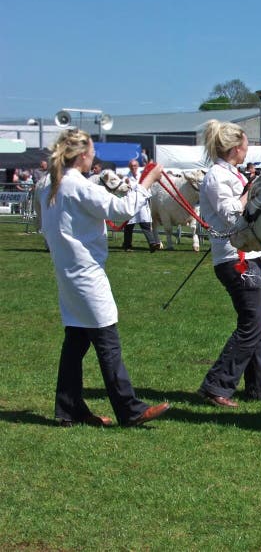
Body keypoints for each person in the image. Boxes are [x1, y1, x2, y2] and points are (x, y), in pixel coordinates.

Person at [37, 128, 170, 428]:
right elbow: (122, 210)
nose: (95, 155)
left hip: (67, 270)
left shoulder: (49, 184)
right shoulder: (77, 186)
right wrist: (148, 180)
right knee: (107, 339)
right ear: (83, 155)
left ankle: (68, 407)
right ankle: (129, 409)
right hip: (86, 272)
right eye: (93, 150)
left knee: (76, 340)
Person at [197, 120, 261, 408]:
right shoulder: (216, 177)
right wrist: (252, 189)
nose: (246, 152)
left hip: (252, 255)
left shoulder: (230, 174)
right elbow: (230, 214)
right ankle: (217, 384)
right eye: (245, 148)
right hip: (234, 257)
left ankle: (260, 387)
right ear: (236, 148)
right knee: (252, 323)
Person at [122, 159, 160, 252]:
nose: (133, 167)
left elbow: (148, 187)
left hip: (142, 204)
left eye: (135, 166)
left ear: (137, 166)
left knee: (145, 224)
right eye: (131, 166)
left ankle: (152, 244)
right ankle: (127, 245)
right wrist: (126, 184)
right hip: (131, 203)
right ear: (129, 167)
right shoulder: (126, 178)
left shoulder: (142, 176)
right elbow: (123, 189)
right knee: (129, 226)